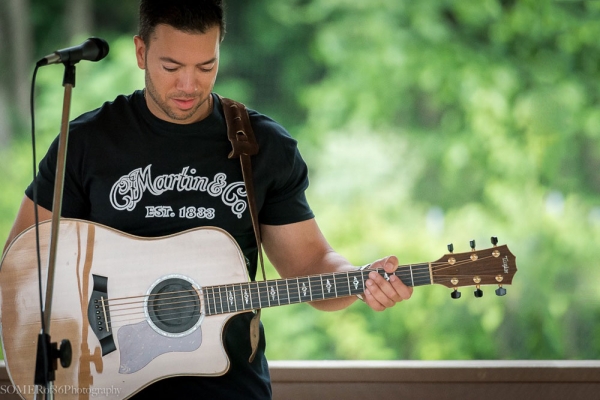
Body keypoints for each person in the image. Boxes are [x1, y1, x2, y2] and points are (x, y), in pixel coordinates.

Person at [3, 0, 413, 398]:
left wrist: (361, 280)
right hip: (105, 382)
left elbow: (310, 264)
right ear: (141, 52)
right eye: (171, 67)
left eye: (206, 66)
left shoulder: (261, 147)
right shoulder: (88, 142)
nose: (189, 85)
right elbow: (20, 264)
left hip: (230, 389)